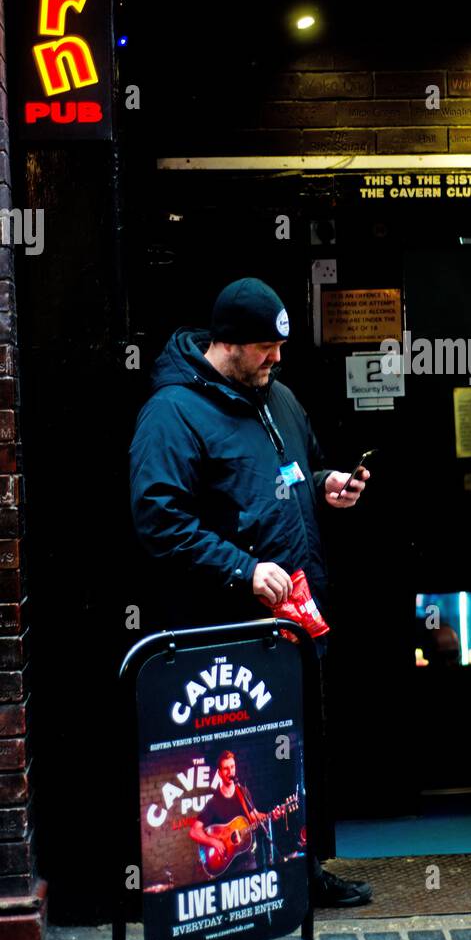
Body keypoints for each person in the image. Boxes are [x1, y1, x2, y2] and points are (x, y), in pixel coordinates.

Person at [129, 276, 373, 908]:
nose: (277, 358)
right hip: (226, 627)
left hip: (295, 618)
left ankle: (304, 869)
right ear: (228, 342)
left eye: (280, 346)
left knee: (300, 748)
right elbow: (158, 517)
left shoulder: (279, 398)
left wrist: (327, 485)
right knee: (239, 760)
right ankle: (231, 895)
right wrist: (241, 569)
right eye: (265, 346)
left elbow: (298, 469)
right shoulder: (173, 412)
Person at [190, 749, 282, 878]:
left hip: (248, 860)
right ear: (219, 773)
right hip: (226, 866)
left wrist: (271, 815)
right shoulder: (214, 802)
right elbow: (194, 831)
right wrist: (214, 842)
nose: (230, 771)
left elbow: (254, 816)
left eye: (232, 767)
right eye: (226, 769)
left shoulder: (243, 792)